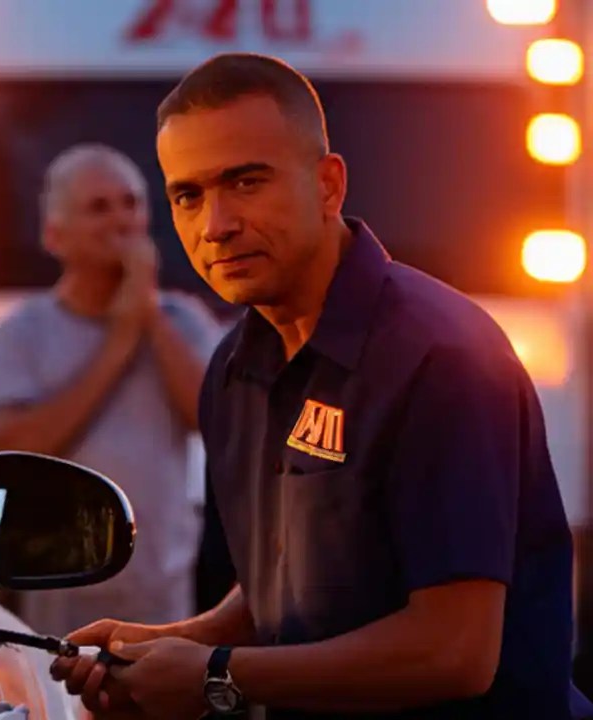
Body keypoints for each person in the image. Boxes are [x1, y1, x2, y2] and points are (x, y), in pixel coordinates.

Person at [50, 52, 584, 719]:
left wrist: (214, 674)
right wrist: (163, 646)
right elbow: (286, 591)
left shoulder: (440, 355)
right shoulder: (234, 371)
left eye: (246, 182)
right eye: (188, 195)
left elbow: (456, 651)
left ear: (328, 185)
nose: (215, 225)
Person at [0, 143, 223, 636]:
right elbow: (15, 445)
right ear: (55, 235)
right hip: (59, 600)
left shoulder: (185, 321)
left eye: (131, 203)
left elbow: (214, 419)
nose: (122, 221)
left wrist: (147, 315)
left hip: (165, 596)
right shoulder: (22, 332)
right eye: (99, 207)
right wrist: (120, 339)